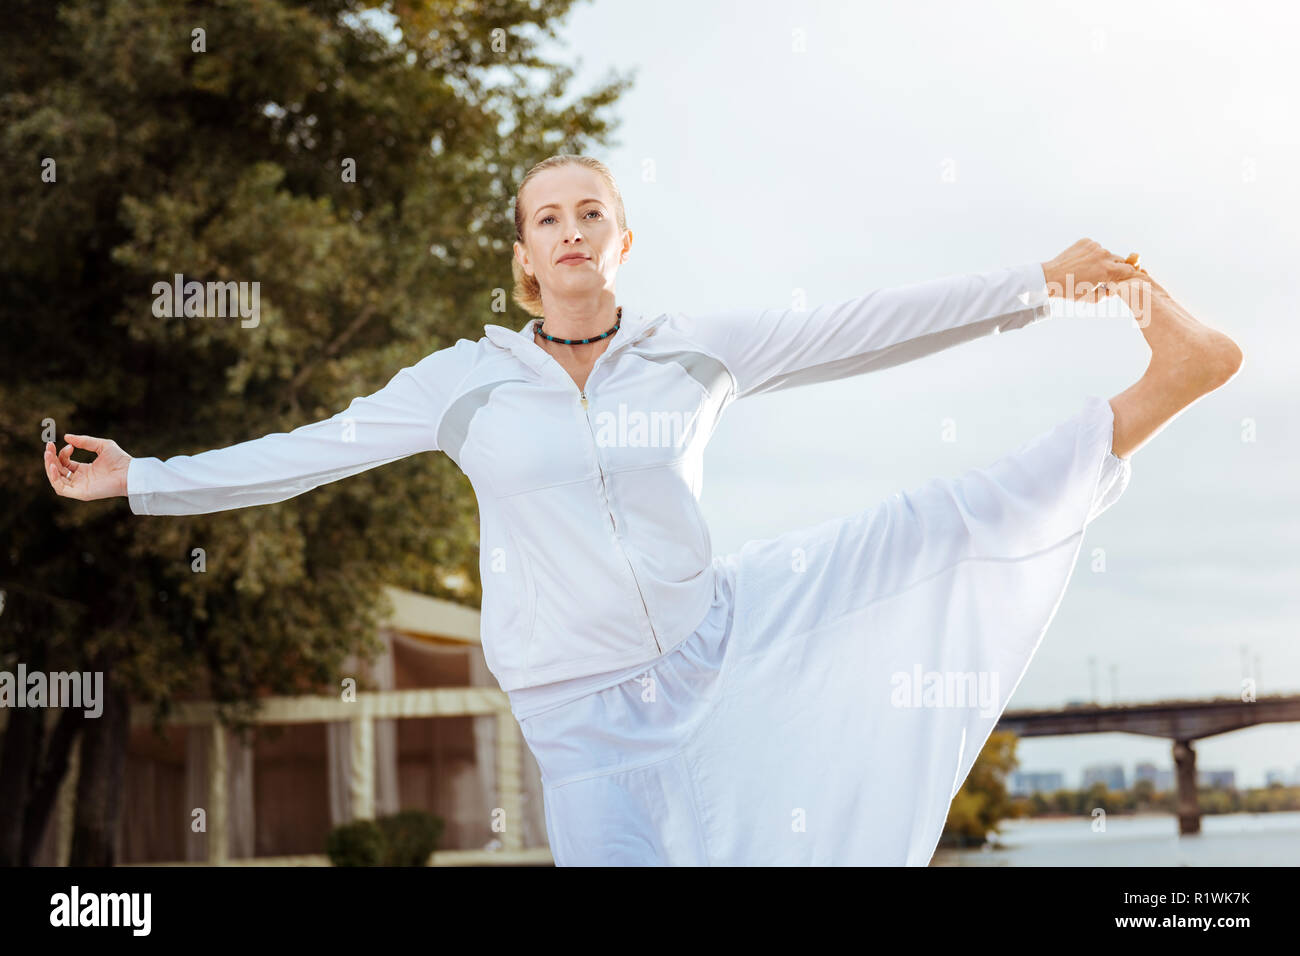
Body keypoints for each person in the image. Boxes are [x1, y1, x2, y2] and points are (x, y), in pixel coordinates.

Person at [43, 155, 1243, 865]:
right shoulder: (461, 384)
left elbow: (863, 326)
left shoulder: (692, 352)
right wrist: (142, 477)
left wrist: (1037, 283)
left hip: (719, 651)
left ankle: (1170, 378)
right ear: (524, 256)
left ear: (623, 239)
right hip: (580, 719)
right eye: (547, 217)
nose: (570, 230)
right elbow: (305, 453)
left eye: (590, 212)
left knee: (933, 529)